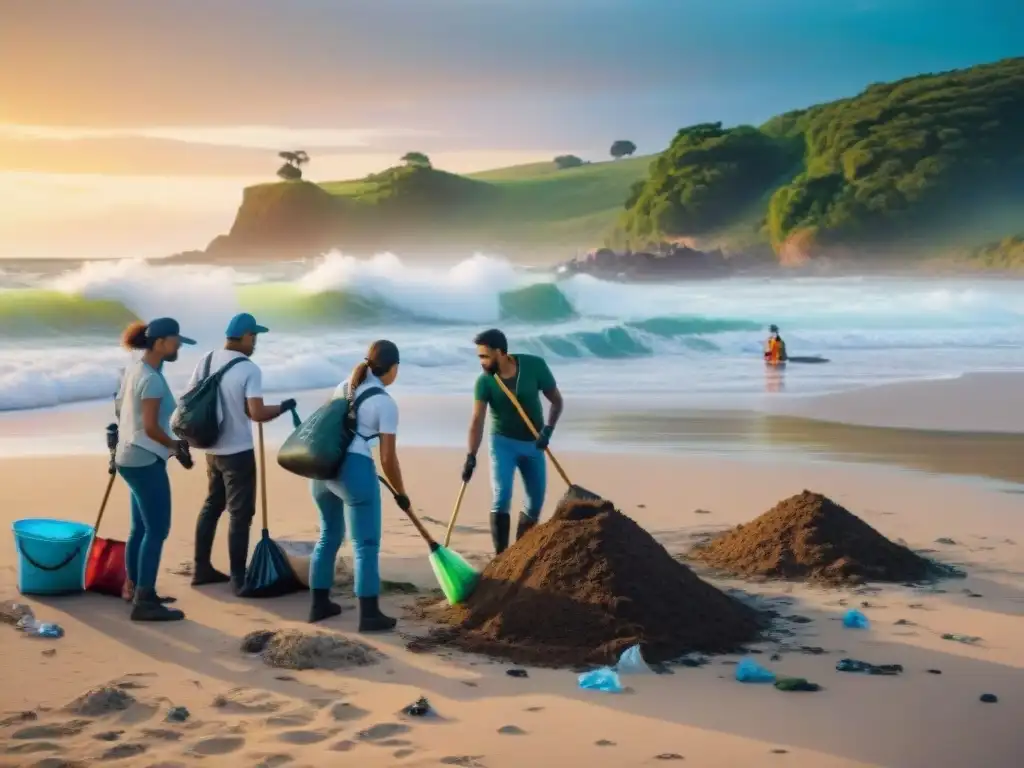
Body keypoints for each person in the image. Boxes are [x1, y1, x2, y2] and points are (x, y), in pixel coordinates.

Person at [188, 312, 296, 594]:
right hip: (237, 451)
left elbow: (188, 398)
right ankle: (239, 578)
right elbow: (257, 413)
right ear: (247, 336)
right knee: (240, 514)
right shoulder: (249, 369)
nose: (255, 343)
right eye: (255, 337)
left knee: (213, 505)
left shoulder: (207, 359)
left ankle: (201, 568)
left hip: (210, 447)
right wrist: (283, 407)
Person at [308, 340, 405, 631]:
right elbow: (388, 459)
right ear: (394, 368)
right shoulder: (385, 403)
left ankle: (319, 605)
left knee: (328, 536)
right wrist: (401, 492)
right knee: (366, 545)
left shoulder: (343, 386)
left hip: (323, 470)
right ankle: (370, 615)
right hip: (354, 470)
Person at [114, 317, 195, 622]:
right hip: (144, 459)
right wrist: (175, 446)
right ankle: (144, 600)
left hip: (128, 455)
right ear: (160, 342)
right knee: (158, 529)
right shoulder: (152, 379)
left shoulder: (136, 369)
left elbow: (121, 410)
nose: (178, 348)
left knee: (140, 528)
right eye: (176, 341)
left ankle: (134, 587)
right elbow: (150, 427)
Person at [463, 328, 563, 555]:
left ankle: (518, 554)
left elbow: (557, 401)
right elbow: (477, 421)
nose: (481, 362)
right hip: (502, 443)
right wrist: (471, 456)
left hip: (534, 444)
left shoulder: (534, 366)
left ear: (500, 352)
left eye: (485, 356)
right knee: (502, 495)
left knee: (535, 503)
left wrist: (548, 430)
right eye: (479, 356)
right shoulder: (485, 382)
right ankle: (501, 557)